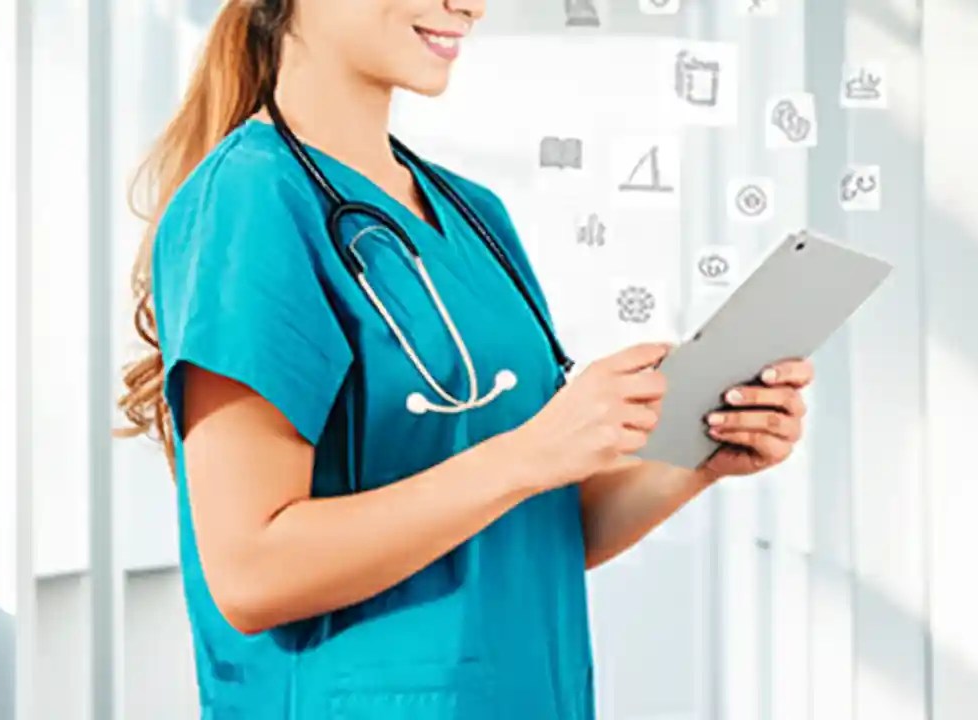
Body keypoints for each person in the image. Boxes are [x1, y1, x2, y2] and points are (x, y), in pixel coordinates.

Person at [116, 1, 815, 717]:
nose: (470, 4)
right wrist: (529, 454)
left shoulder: (474, 213)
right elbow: (252, 573)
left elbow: (531, 528)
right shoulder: (250, 200)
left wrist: (694, 458)